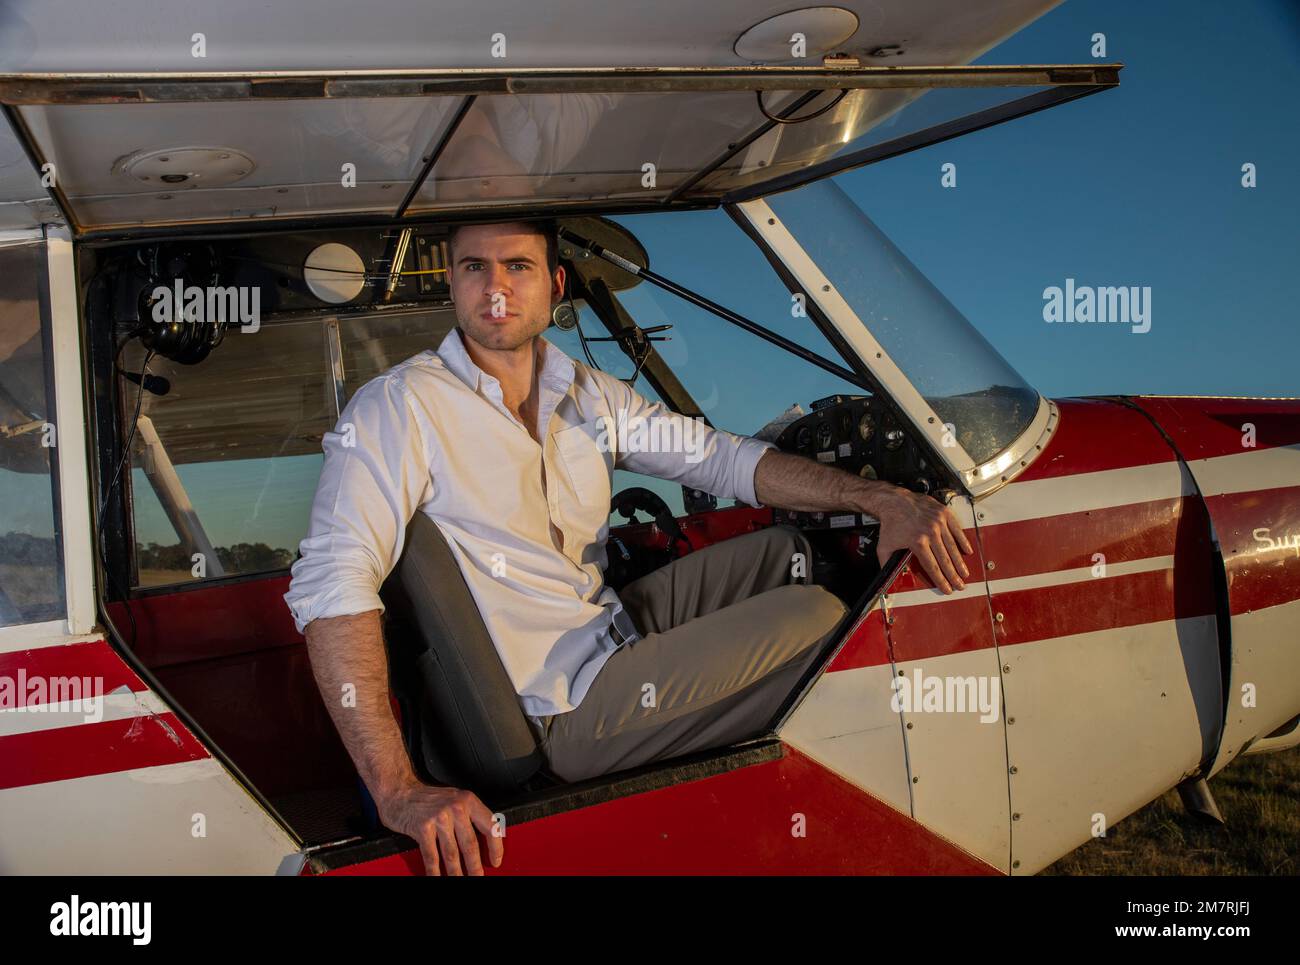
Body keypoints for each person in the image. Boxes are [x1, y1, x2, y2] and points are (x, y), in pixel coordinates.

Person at [283, 219, 973, 875]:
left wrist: (878, 497)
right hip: (559, 705)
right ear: (454, 284)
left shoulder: (583, 391)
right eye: (474, 267)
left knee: (787, 552)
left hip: (608, 626)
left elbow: (719, 459)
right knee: (826, 618)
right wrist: (398, 789)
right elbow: (332, 584)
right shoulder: (399, 405)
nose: (495, 287)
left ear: (555, 285)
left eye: (516, 266)